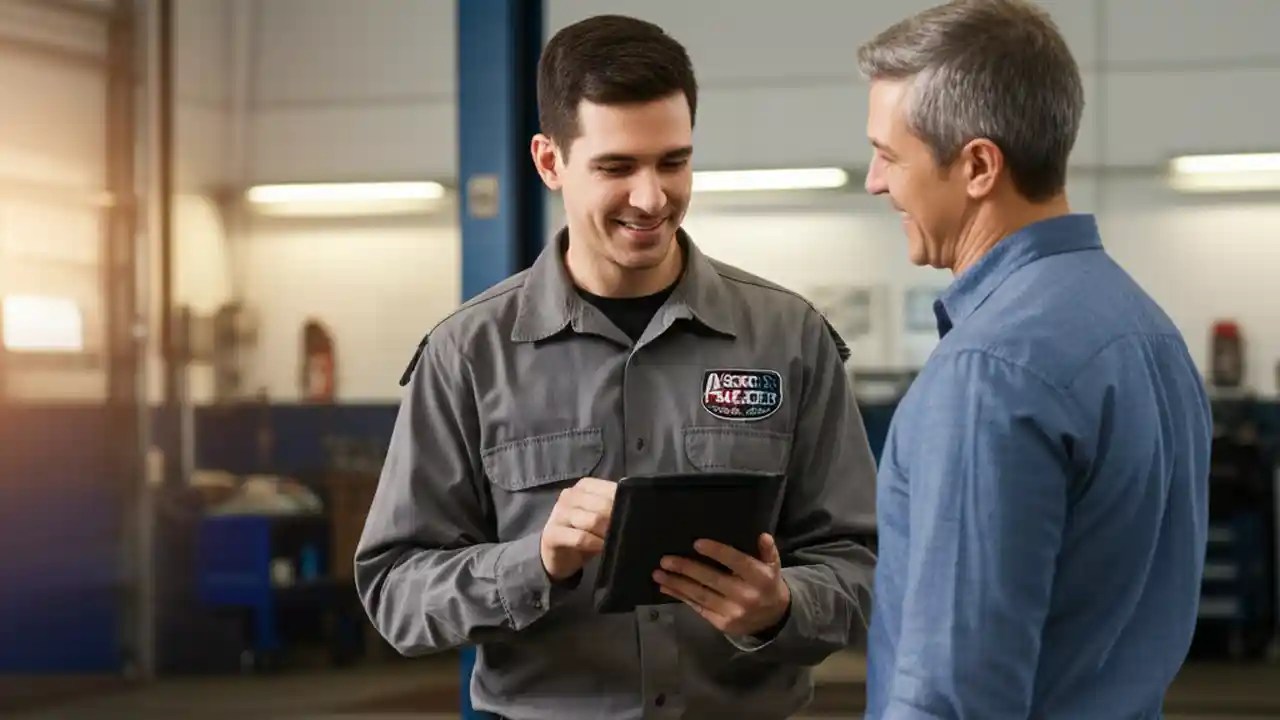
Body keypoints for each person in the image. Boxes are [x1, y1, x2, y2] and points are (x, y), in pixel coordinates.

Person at [355, 14, 877, 719]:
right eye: (616, 167)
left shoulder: (790, 339)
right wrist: (533, 562)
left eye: (672, 161)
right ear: (549, 162)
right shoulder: (467, 355)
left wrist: (783, 606)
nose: (652, 198)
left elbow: (867, 567)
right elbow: (396, 592)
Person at [856, 1, 1212, 718]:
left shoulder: (988, 370)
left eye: (889, 155)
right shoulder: (1149, 332)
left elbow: (954, 694)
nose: (874, 180)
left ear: (979, 166)